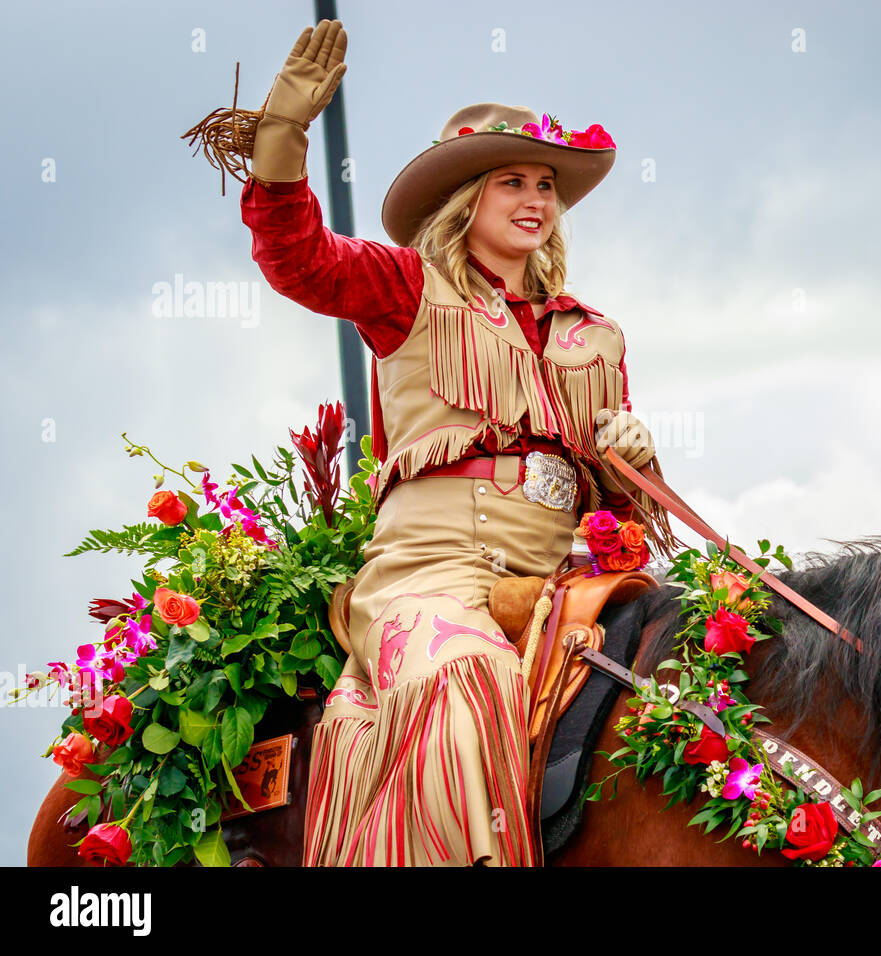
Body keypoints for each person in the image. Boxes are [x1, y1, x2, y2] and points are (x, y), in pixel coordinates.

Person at [228, 20, 672, 866]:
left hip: (560, 583)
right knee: (461, 673)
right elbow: (297, 258)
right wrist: (282, 132)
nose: (537, 198)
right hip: (431, 572)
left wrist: (636, 459)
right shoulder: (405, 288)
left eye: (547, 183)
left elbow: (626, 510)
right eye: (513, 182)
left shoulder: (595, 336)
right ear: (467, 200)